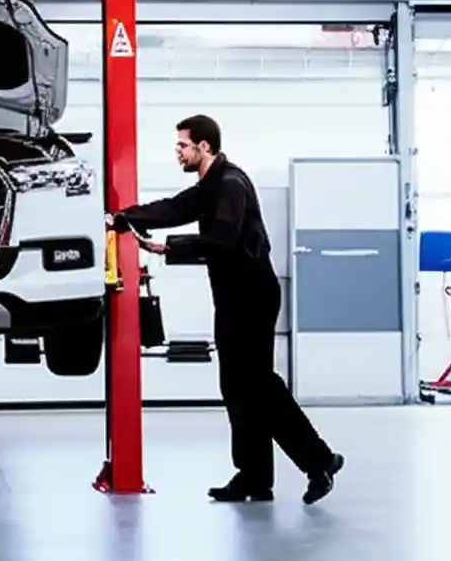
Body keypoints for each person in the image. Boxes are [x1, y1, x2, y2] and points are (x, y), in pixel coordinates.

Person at [106, 114, 344, 505]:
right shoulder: (211, 185)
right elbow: (173, 207)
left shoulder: (231, 184)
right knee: (238, 386)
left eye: (183, 145)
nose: (177, 152)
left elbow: (221, 239)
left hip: (253, 296)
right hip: (235, 298)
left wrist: (168, 247)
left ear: (204, 147)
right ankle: (256, 477)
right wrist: (124, 218)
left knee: (258, 385)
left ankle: (319, 460)